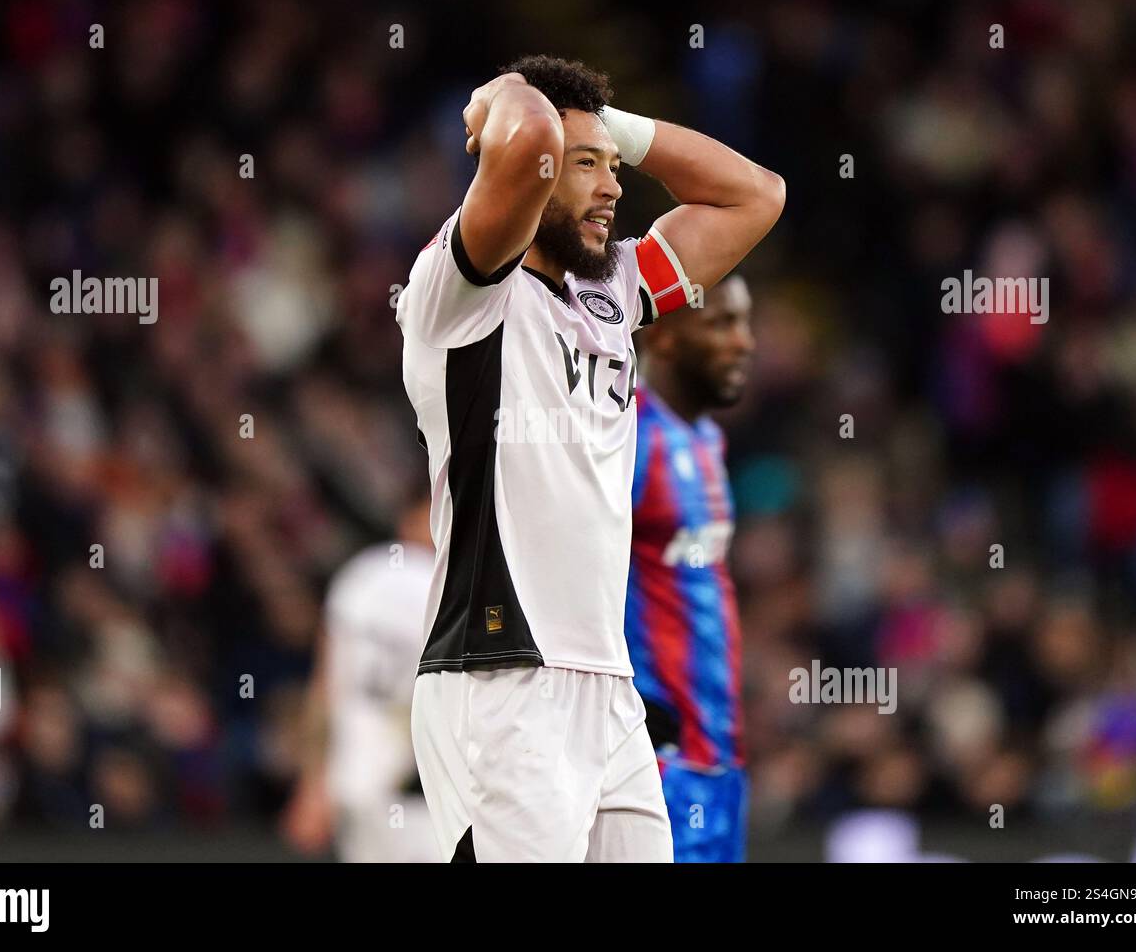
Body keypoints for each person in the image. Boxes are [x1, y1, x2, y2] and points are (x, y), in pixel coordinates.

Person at [395, 54, 784, 862]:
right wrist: (500, 93)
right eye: (585, 167)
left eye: (614, 168)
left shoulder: (610, 291)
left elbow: (757, 195)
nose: (612, 187)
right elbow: (530, 130)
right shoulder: (459, 293)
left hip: (609, 690)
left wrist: (618, 132)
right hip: (501, 674)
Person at [626, 273, 754, 862]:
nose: (744, 341)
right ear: (663, 336)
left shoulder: (706, 438)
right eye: (721, 323)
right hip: (656, 764)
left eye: (745, 322)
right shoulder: (625, 435)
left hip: (718, 761)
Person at [281, 494, 438, 862]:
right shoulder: (454, 584)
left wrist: (313, 782)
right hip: (421, 781)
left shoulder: (363, 575)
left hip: (359, 775)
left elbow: (325, 688)